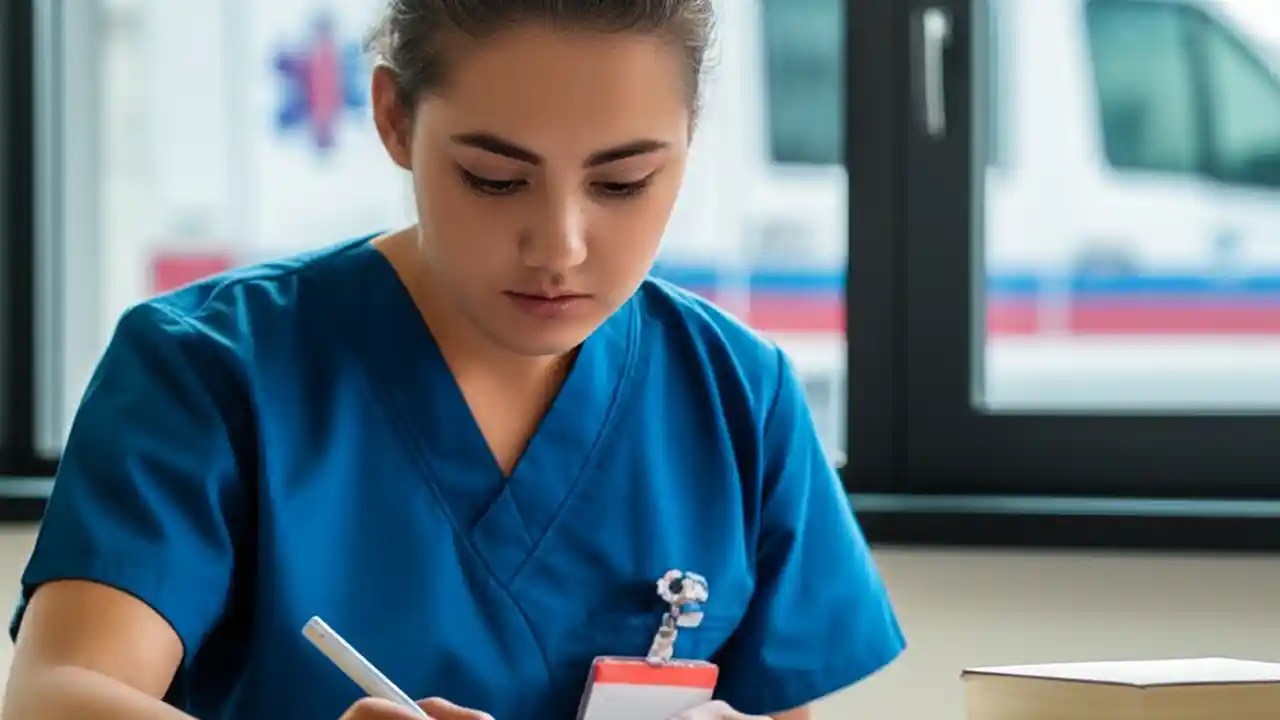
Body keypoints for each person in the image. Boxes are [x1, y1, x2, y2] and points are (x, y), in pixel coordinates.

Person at [2, 1, 905, 718]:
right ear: (396, 119)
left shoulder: (739, 401)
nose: (561, 245)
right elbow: (56, 696)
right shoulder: (208, 373)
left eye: (623, 182)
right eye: (495, 178)